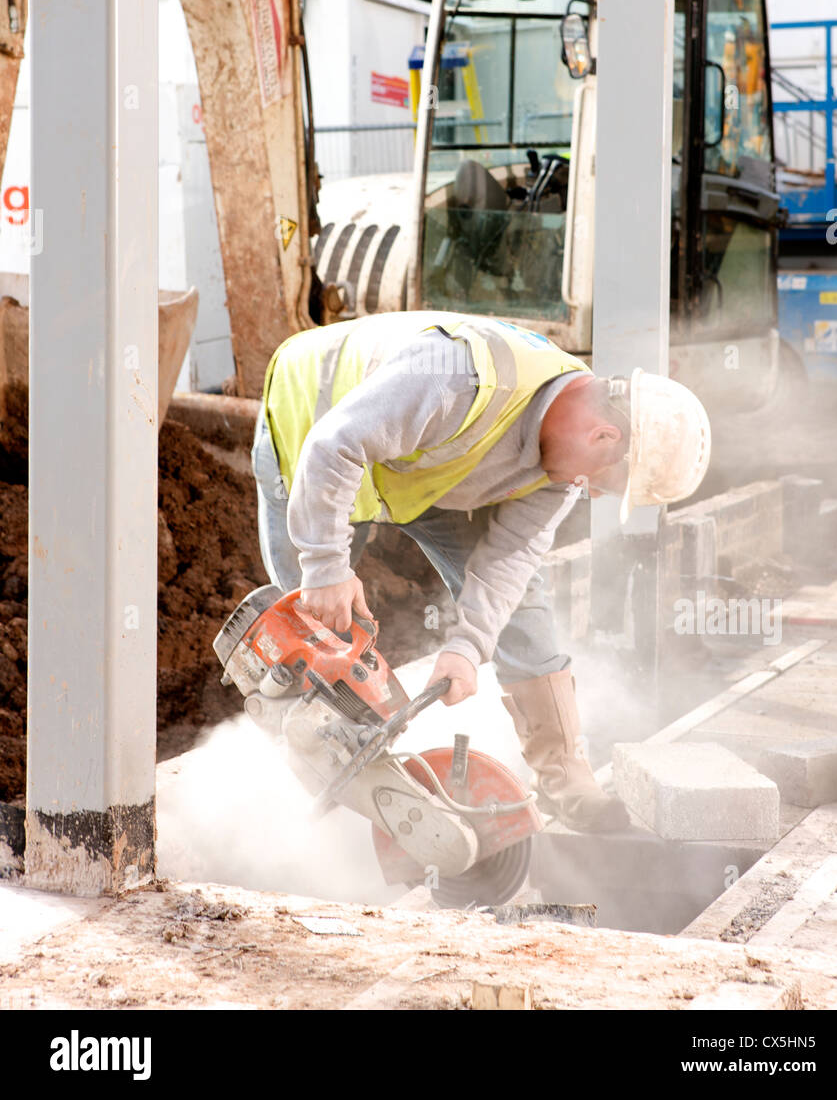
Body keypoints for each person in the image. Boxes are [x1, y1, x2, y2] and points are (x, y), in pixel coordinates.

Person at [252, 310, 711, 833]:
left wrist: (466, 648)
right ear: (604, 437)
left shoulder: (558, 473)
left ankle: (563, 775)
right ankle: (309, 791)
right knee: (310, 626)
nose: (592, 491)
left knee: (522, 601)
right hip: (314, 433)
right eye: (605, 483)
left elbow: (510, 560)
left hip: (417, 465)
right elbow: (333, 444)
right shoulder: (457, 378)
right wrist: (326, 565)